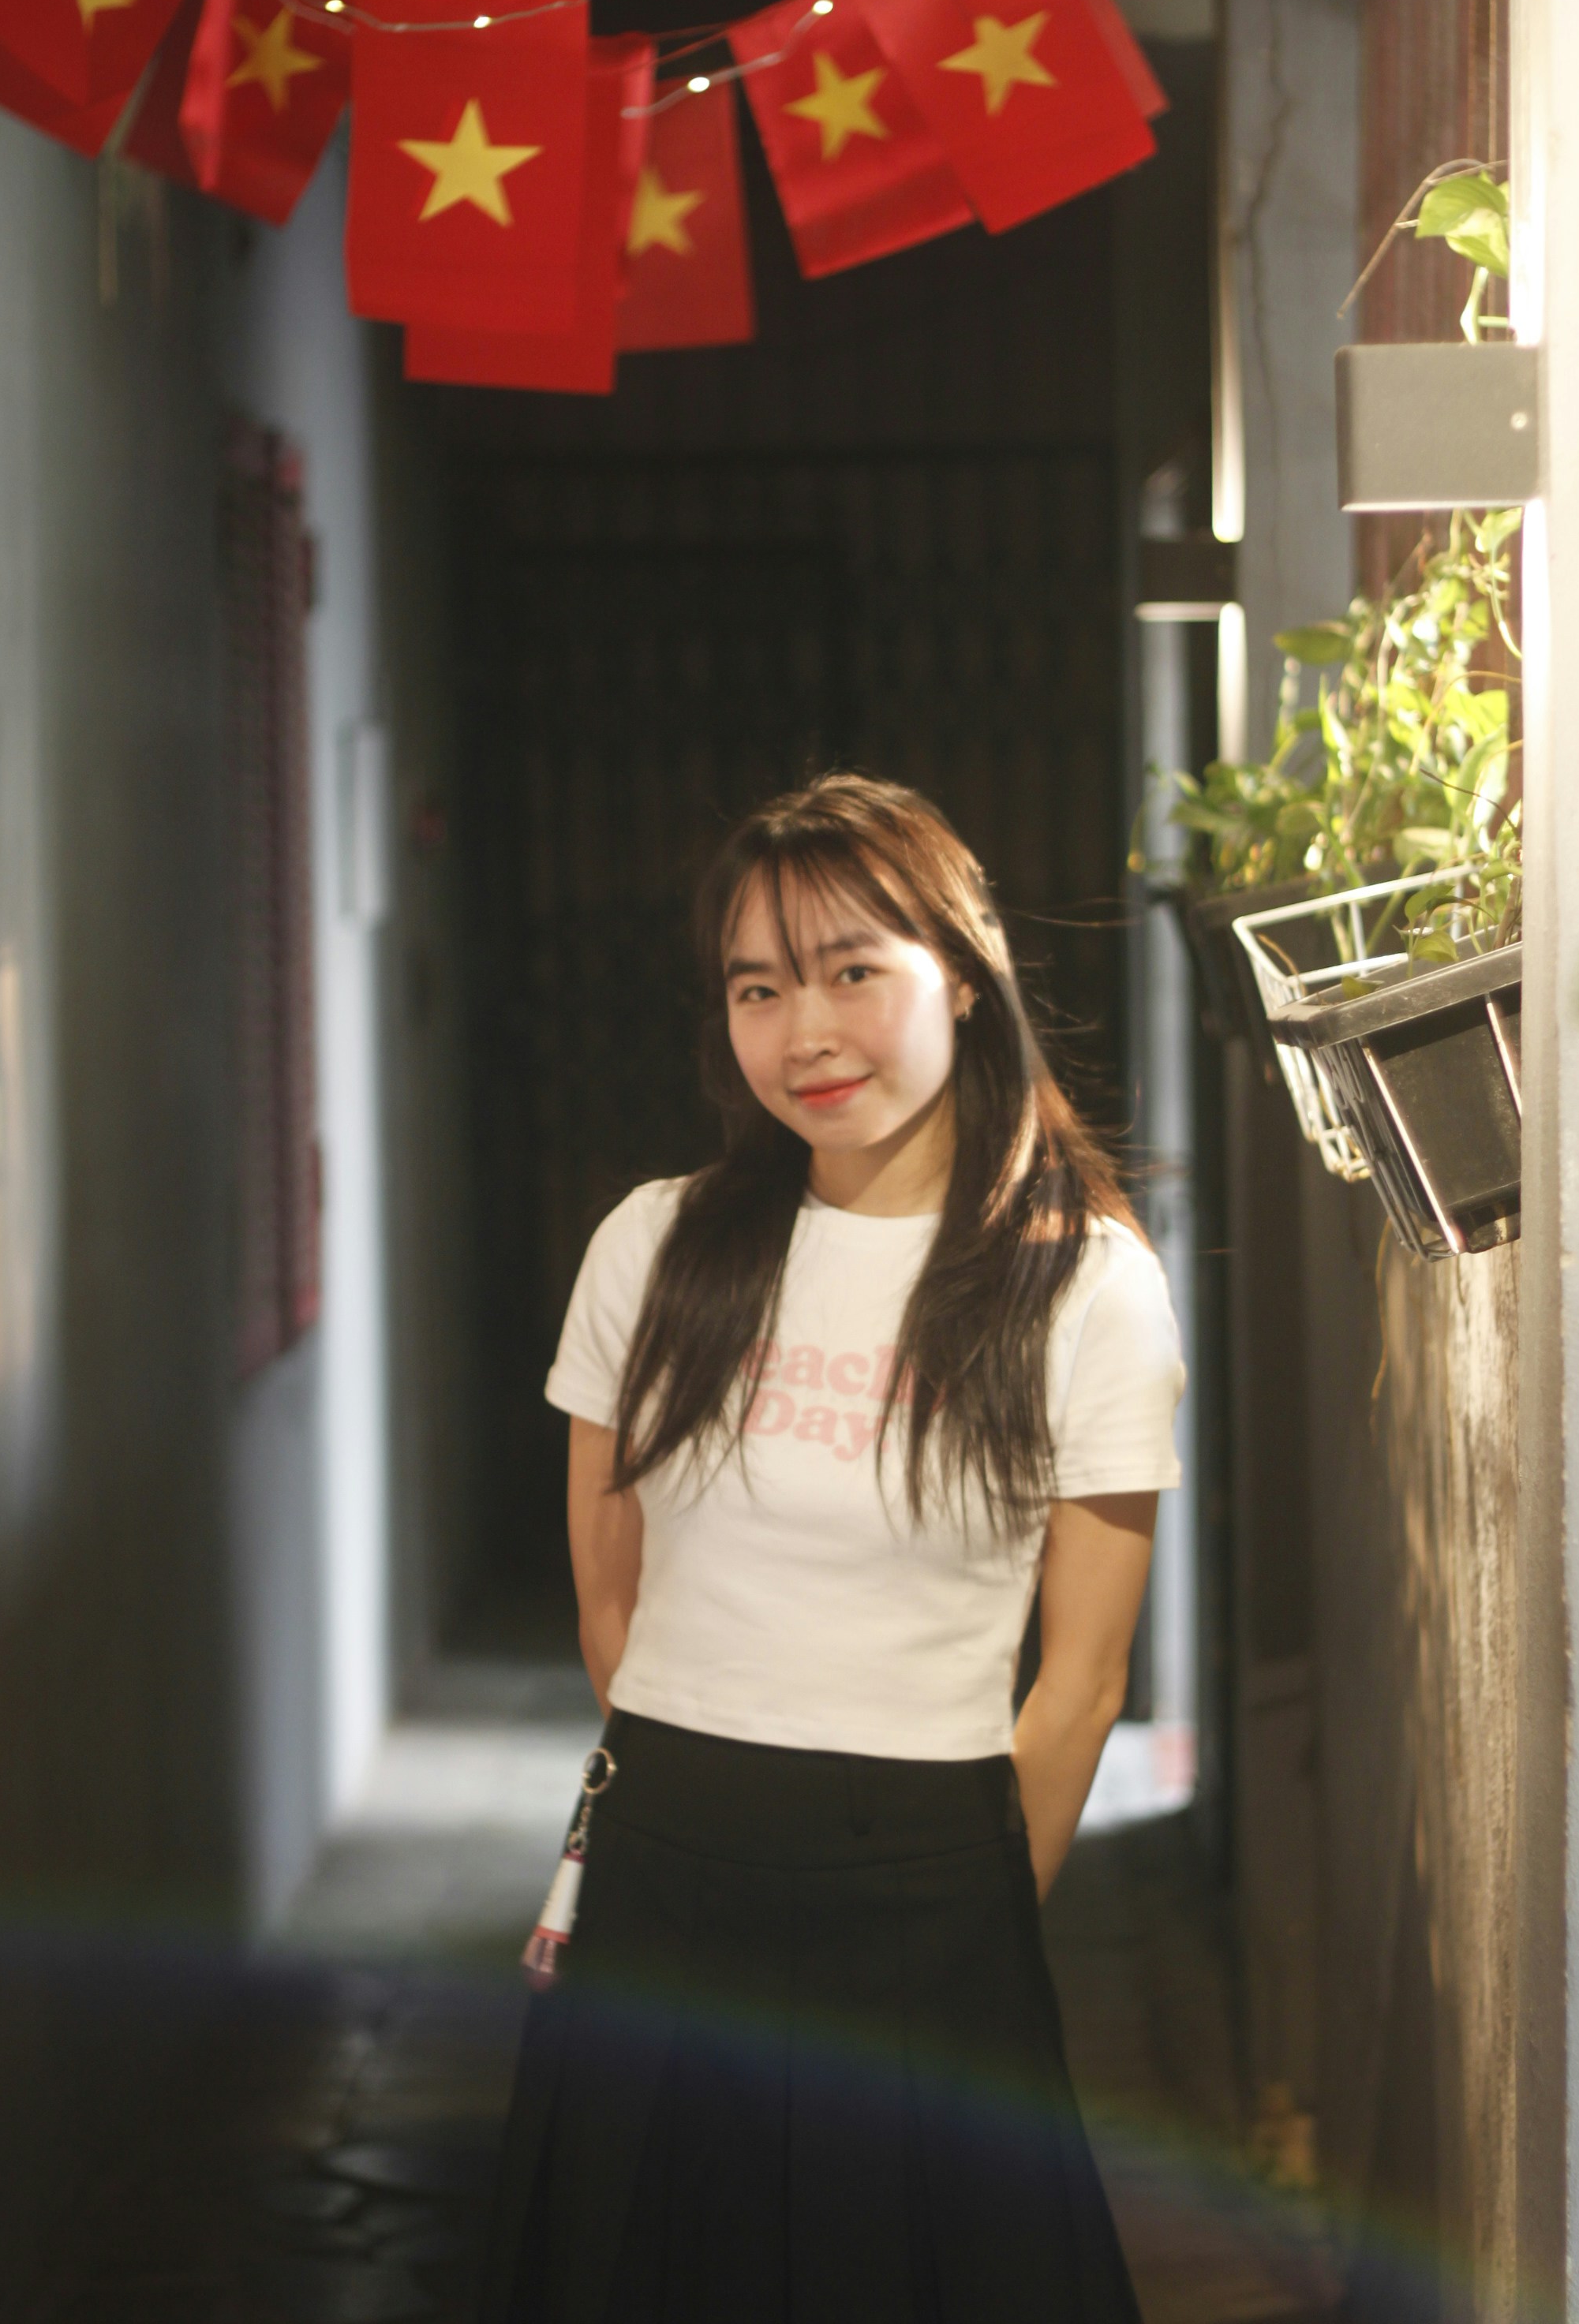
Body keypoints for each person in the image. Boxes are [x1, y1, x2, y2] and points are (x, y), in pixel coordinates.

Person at [478, 772, 1185, 2324]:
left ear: (963, 975)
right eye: (760, 986)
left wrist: (968, 1925)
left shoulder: (1087, 1288)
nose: (806, 1032)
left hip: (933, 1898)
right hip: (663, 1867)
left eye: (854, 971)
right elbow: (615, 1603)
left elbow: (1079, 1689)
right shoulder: (655, 1247)